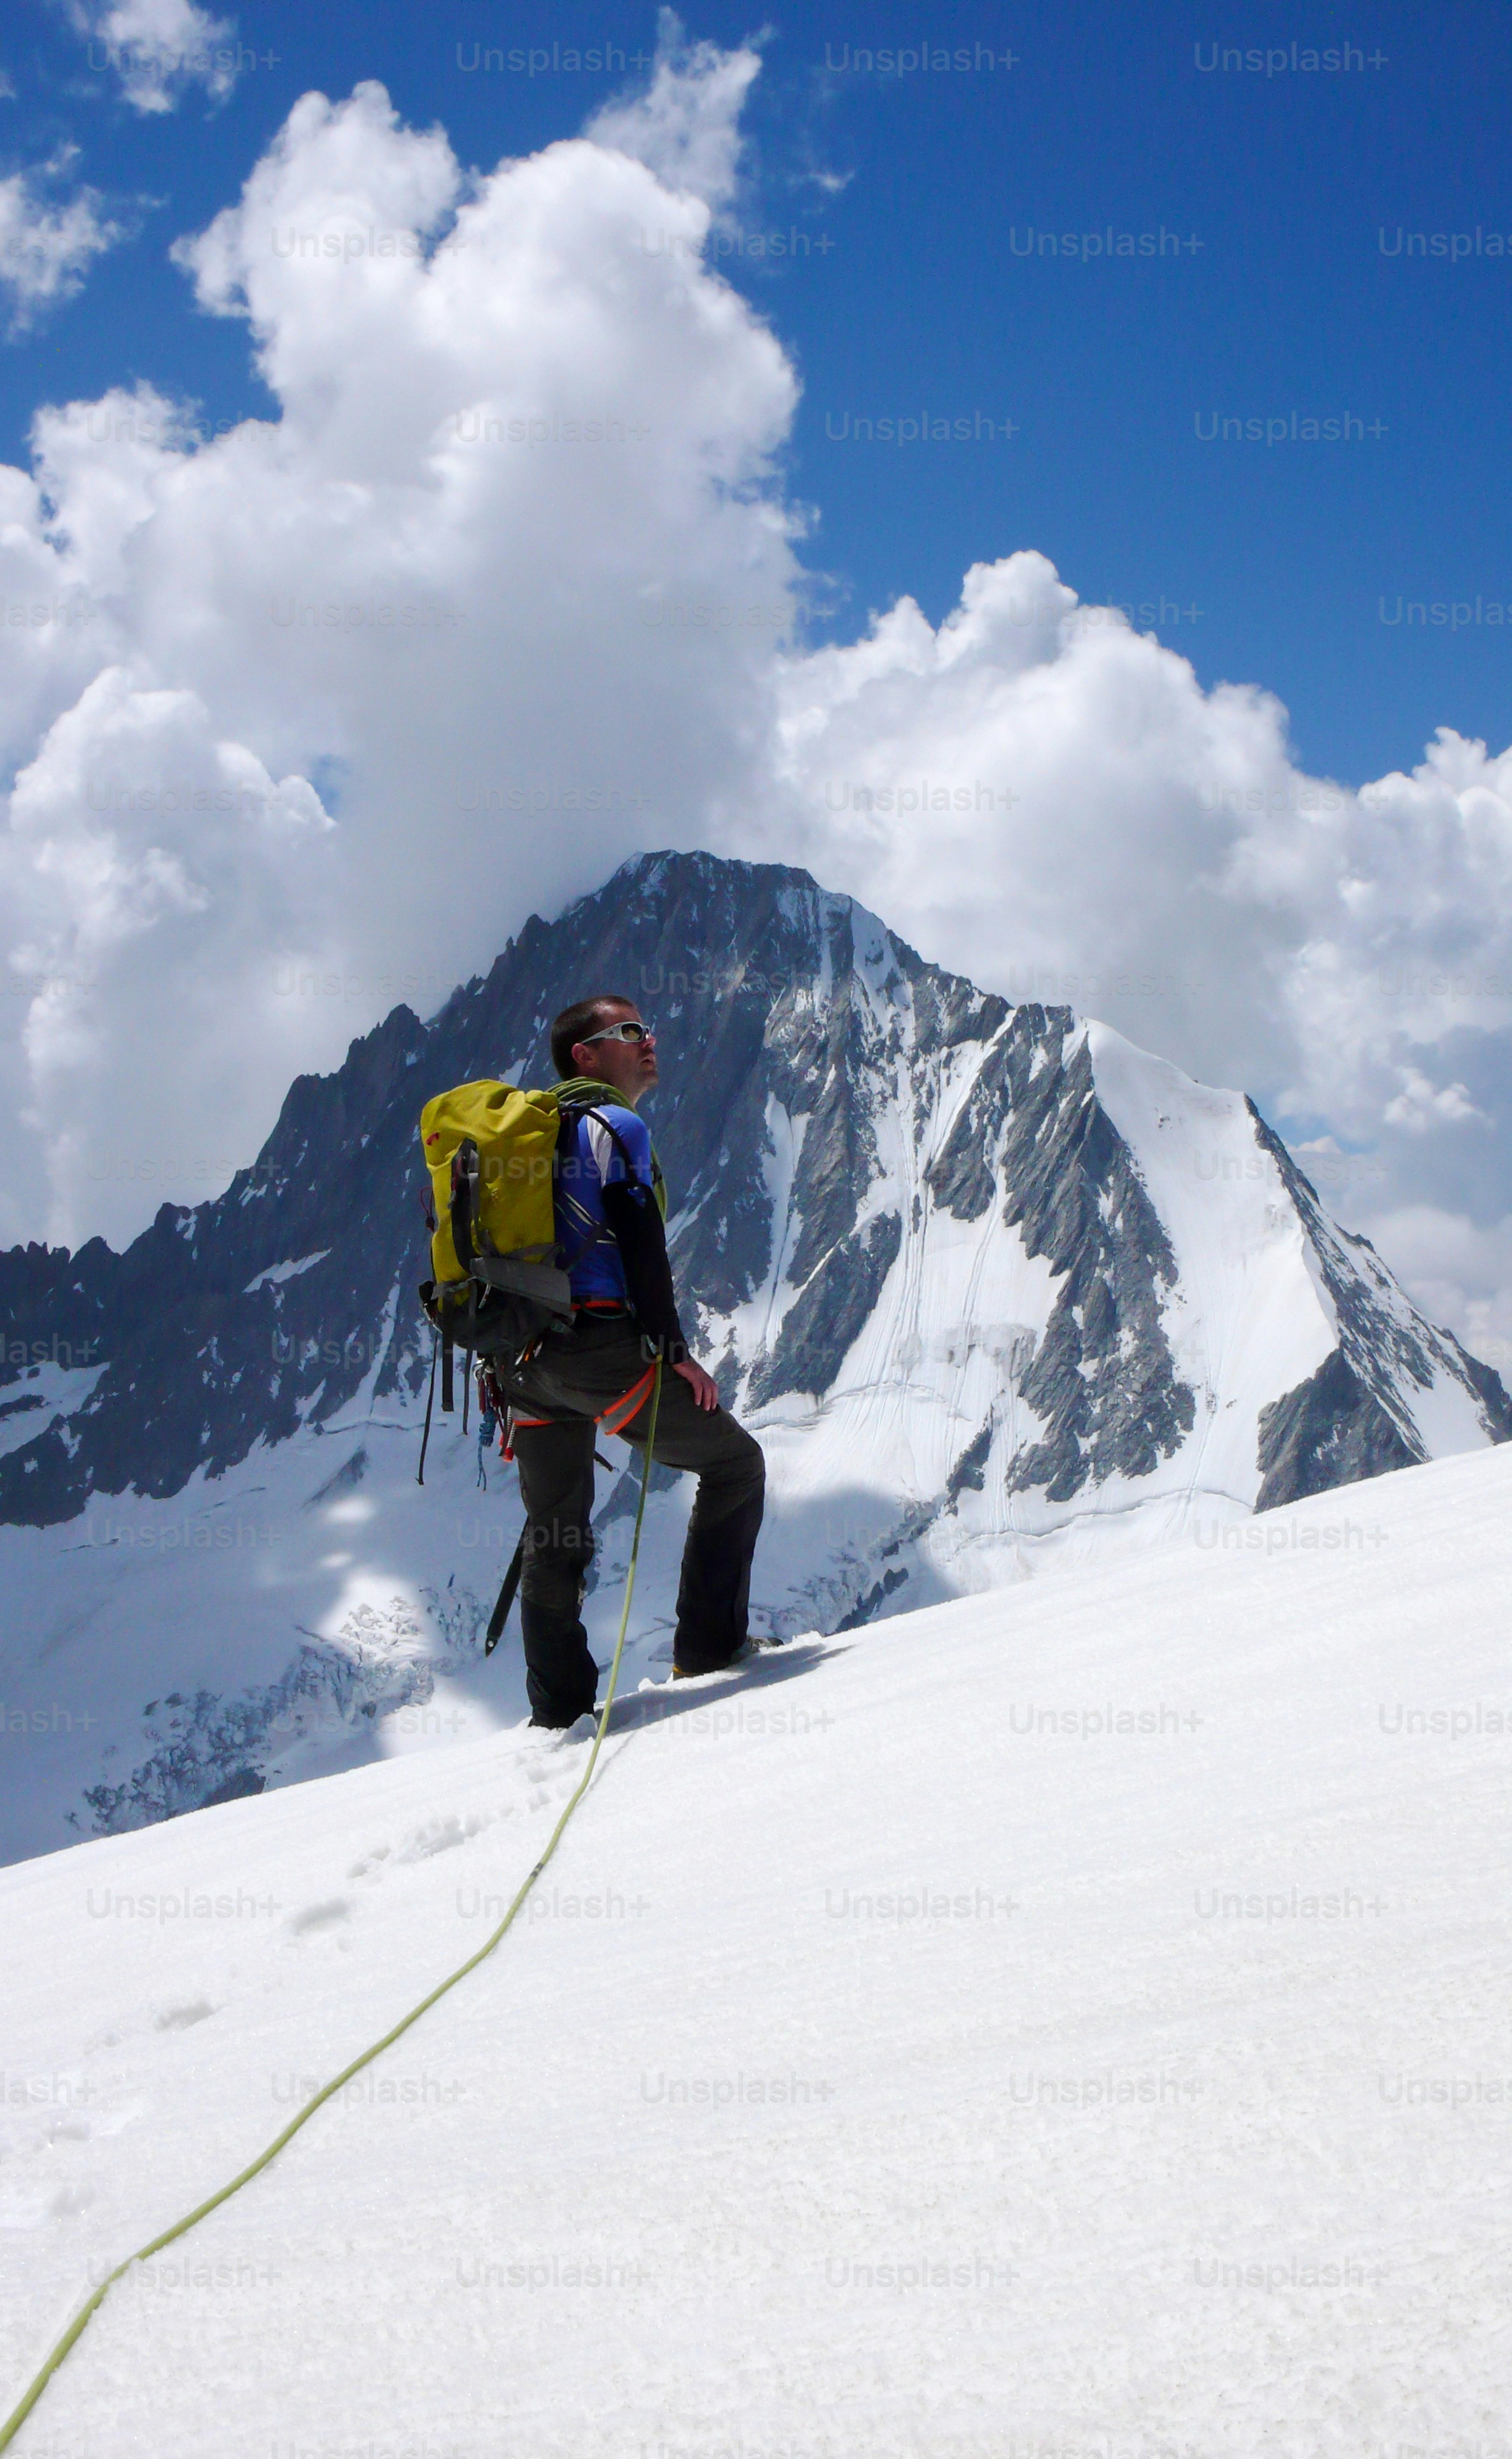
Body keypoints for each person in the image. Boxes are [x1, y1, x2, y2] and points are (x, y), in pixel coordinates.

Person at [501, 995, 766, 1728]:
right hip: (597, 1351)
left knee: (554, 1528)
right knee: (735, 1466)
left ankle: (557, 1712)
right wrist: (675, 1354)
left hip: (519, 1362)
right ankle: (710, 1652)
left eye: (647, 1028)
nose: (648, 1040)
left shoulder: (527, 1134)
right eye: (628, 1032)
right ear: (585, 1055)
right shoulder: (615, 1125)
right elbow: (641, 1244)